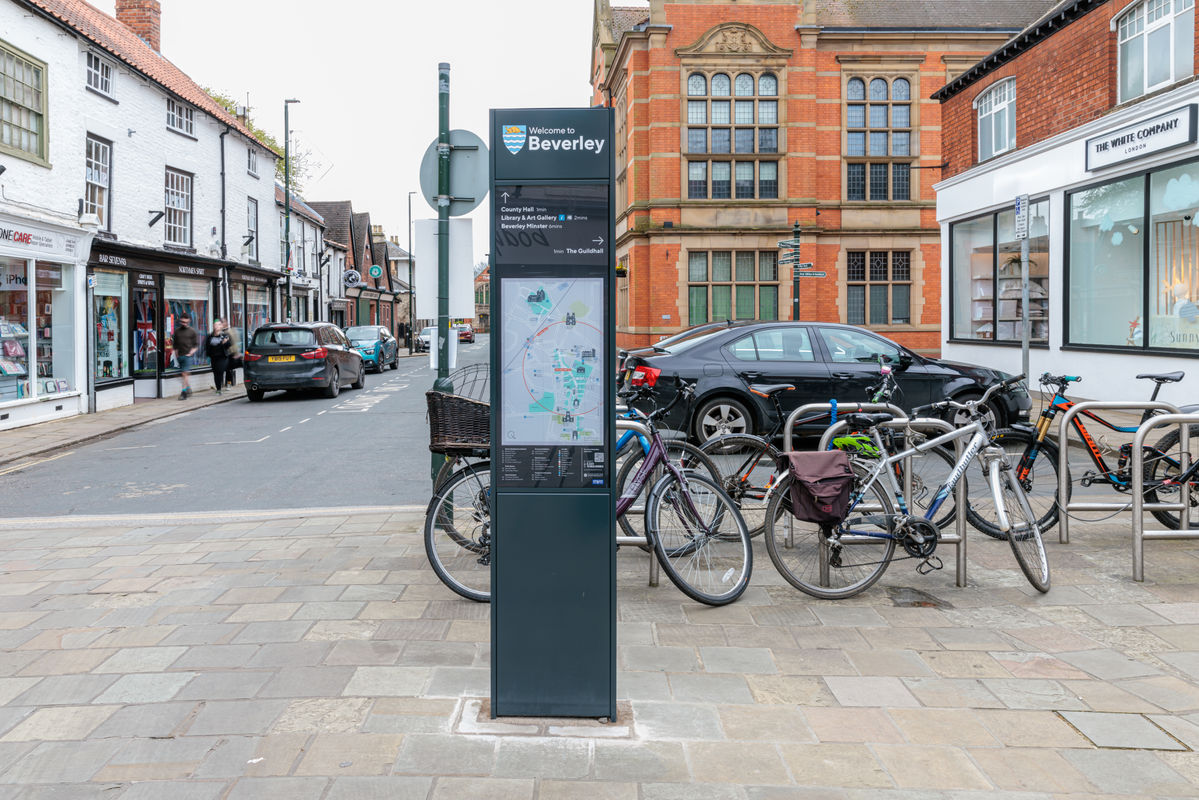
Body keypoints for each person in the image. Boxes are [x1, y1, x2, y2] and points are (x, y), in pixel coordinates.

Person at [173, 313, 199, 400]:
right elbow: (175, 345)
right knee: (183, 375)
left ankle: (183, 393)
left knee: (184, 373)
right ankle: (188, 388)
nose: (184, 324)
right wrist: (176, 355)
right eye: (182, 322)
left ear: (189, 321)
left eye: (185, 322)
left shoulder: (192, 331)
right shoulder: (177, 331)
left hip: (188, 357)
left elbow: (196, 345)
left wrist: (191, 353)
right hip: (180, 356)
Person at [205, 319, 231, 395]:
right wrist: (208, 355)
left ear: (221, 326)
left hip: (222, 357)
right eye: (215, 325)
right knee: (215, 373)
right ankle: (218, 389)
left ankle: (221, 387)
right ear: (213, 326)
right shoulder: (210, 336)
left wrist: (225, 342)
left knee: (220, 371)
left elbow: (229, 345)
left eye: (219, 325)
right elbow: (206, 346)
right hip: (214, 358)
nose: (217, 326)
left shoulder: (224, 335)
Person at [224, 323, 242, 388]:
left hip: (230, 354)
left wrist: (235, 352)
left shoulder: (229, 332)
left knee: (228, 370)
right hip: (227, 354)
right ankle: (228, 384)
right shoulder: (226, 332)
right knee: (228, 370)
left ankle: (229, 384)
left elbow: (234, 343)